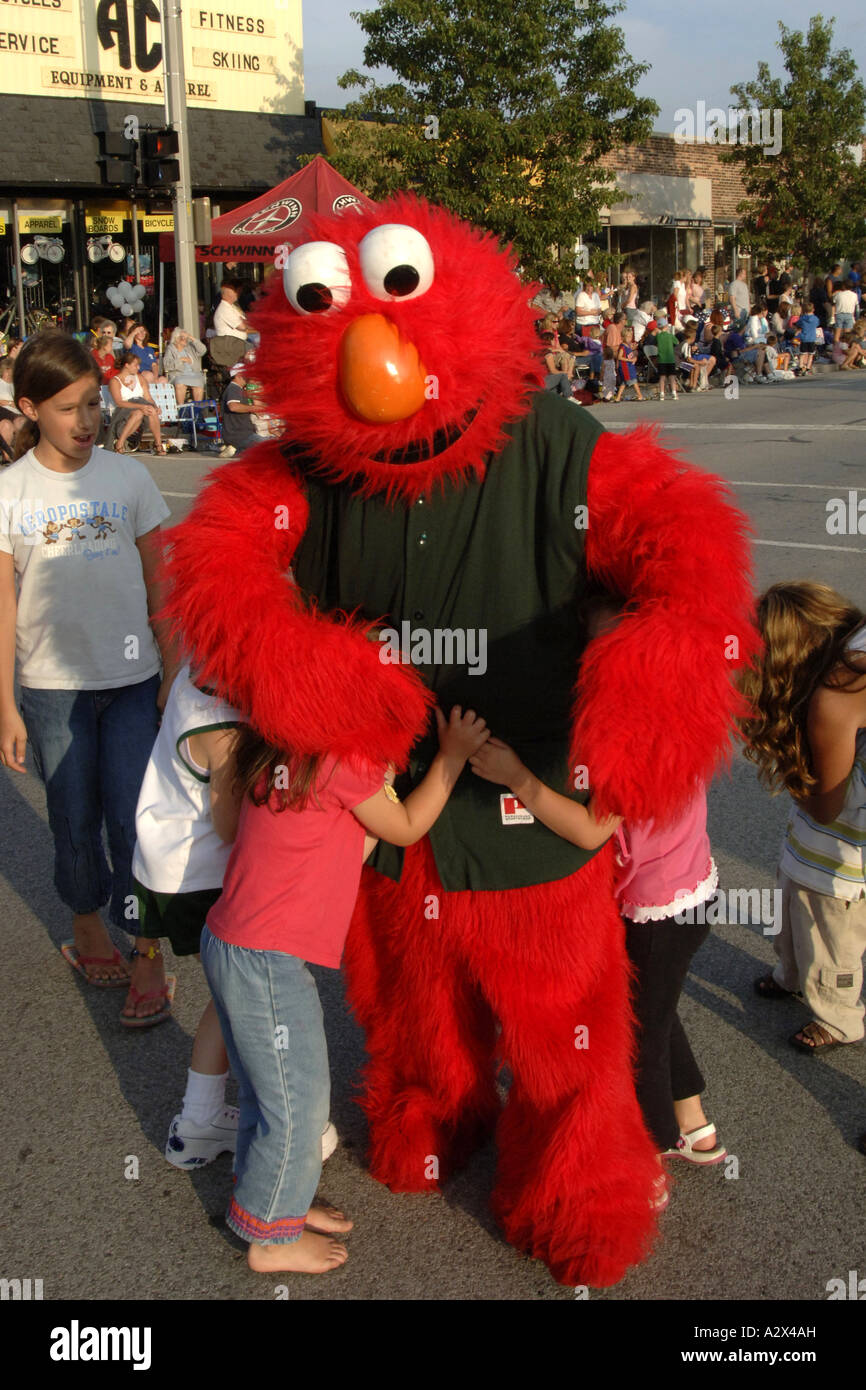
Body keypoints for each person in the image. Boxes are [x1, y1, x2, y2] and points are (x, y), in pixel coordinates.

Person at [200, 703, 490, 1274]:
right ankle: (271, 1243)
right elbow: (405, 826)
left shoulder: (283, 748)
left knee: (268, 1093)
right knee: (299, 1105)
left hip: (233, 944)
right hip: (269, 963)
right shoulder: (342, 762)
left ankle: (270, 1206)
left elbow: (338, 846)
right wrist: (451, 758)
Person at [0, 332, 174, 988]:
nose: (87, 420)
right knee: (73, 820)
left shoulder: (129, 477)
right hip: (51, 689)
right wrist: (5, 707)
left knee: (136, 818)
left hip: (134, 683)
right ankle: (86, 921)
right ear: (29, 407)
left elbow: (162, 582)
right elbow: (4, 608)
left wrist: (175, 669)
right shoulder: (11, 490)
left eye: (94, 404)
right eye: (68, 407)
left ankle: (148, 946)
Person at [741, 582, 866, 1055]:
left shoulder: (832, 704)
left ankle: (839, 1017)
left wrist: (793, 765)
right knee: (793, 917)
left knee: (833, 942)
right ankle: (791, 974)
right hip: (809, 848)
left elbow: (825, 804)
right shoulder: (842, 676)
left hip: (843, 867)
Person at [108, 353, 167, 455]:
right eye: (136, 365)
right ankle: (120, 443)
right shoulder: (115, 381)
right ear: (127, 365)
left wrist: (155, 406)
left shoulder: (140, 378)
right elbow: (119, 402)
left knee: (149, 410)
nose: (138, 367)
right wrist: (141, 406)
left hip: (140, 411)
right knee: (140, 412)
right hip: (122, 413)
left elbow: (148, 398)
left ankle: (158, 444)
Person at [220, 361, 262, 456]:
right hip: (240, 434)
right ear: (239, 375)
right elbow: (233, 406)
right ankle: (236, 449)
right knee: (271, 445)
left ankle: (233, 449)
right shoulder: (233, 388)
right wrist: (253, 408)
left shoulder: (239, 389)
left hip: (239, 434)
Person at [163, 327, 207, 405]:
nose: (185, 340)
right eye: (182, 338)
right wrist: (180, 360)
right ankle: (181, 408)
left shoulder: (190, 347)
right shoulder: (171, 348)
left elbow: (203, 350)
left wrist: (191, 337)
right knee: (180, 383)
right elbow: (167, 364)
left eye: (186, 338)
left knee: (199, 383)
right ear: (176, 339)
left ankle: (197, 410)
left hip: (194, 373)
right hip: (178, 374)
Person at [613, 325, 644, 402]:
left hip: (629, 366)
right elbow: (619, 357)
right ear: (623, 337)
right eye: (627, 337)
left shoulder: (629, 346)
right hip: (625, 367)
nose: (629, 339)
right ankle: (640, 395)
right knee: (634, 381)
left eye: (630, 337)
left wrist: (634, 358)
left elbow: (631, 354)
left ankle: (618, 397)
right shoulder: (623, 347)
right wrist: (629, 360)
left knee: (624, 383)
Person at [654, 315, 678, 401]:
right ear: (666, 326)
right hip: (670, 359)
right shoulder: (670, 335)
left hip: (661, 360)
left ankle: (661, 393)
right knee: (672, 377)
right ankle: (674, 393)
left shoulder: (658, 336)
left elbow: (654, 342)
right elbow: (676, 342)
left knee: (662, 377)